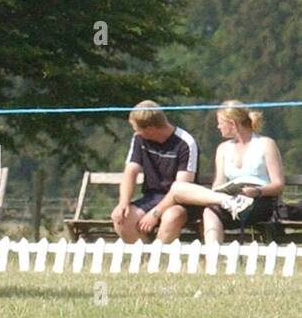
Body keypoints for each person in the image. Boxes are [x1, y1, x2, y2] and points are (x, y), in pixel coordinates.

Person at [169, 102, 286, 244]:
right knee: (208, 210)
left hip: (260, 201)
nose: (218, 127)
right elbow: (219, 182)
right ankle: (213, 261)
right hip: (230, 200)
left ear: (232, 123)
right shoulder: (223, 149)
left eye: (220, 123)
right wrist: (220, 192)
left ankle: (227, 202)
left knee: (210, 208)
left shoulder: (266, 144)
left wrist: (257, 191)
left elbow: (278, 185)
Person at [110, 102, 198, 244]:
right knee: (122, 219)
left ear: (150, 128)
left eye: (137, 128)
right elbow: (130, 171)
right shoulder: (139, 139)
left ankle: (158, 258)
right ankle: (146, 259)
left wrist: (155, 214)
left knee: (172, 216)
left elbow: (181, 189)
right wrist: (123, 203)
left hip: (180, 201)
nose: (136, 132)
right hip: (151, 196)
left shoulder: (185, 143)